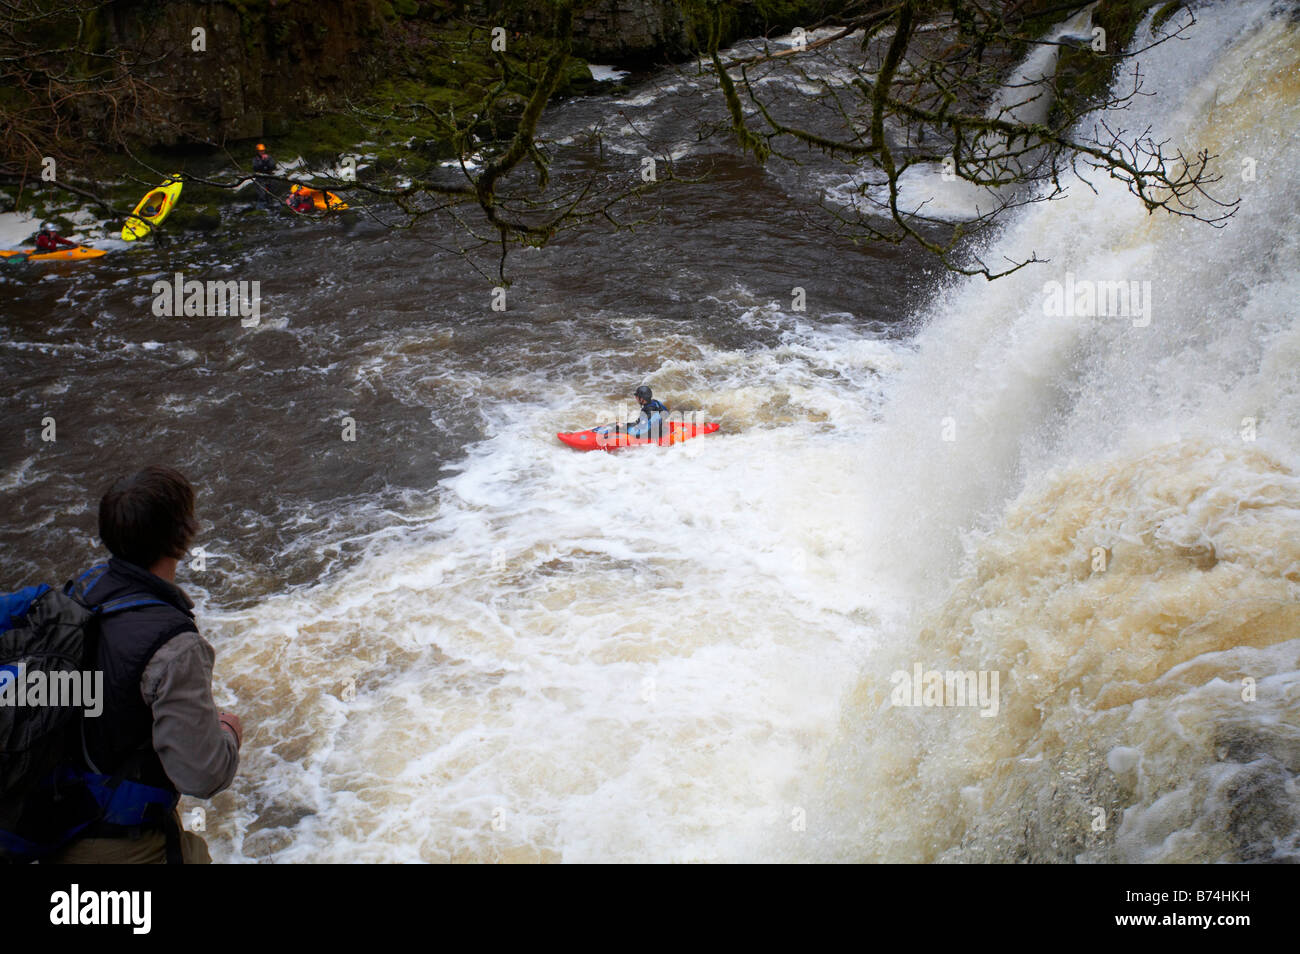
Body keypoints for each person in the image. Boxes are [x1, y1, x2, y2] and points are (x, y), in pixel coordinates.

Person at [49, 466, 241, 864]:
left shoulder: (77, 596)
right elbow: (202, 775)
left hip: (49, 827)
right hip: (124, 846)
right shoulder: (174, 645)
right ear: (183, 536)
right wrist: (228, 732)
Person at [253, 143, 276, 208]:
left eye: (263, 151)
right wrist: (263, 162)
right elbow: (255, 168)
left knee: (271, 192)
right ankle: (261, 205)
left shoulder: (269, 157)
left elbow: (273, 166)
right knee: (261, 193)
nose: (262, 152)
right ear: (257, 152)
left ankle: (270, 204)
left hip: (269, 176)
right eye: (260, 151)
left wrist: (266, 161)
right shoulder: (255, 159)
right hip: (260, 177)